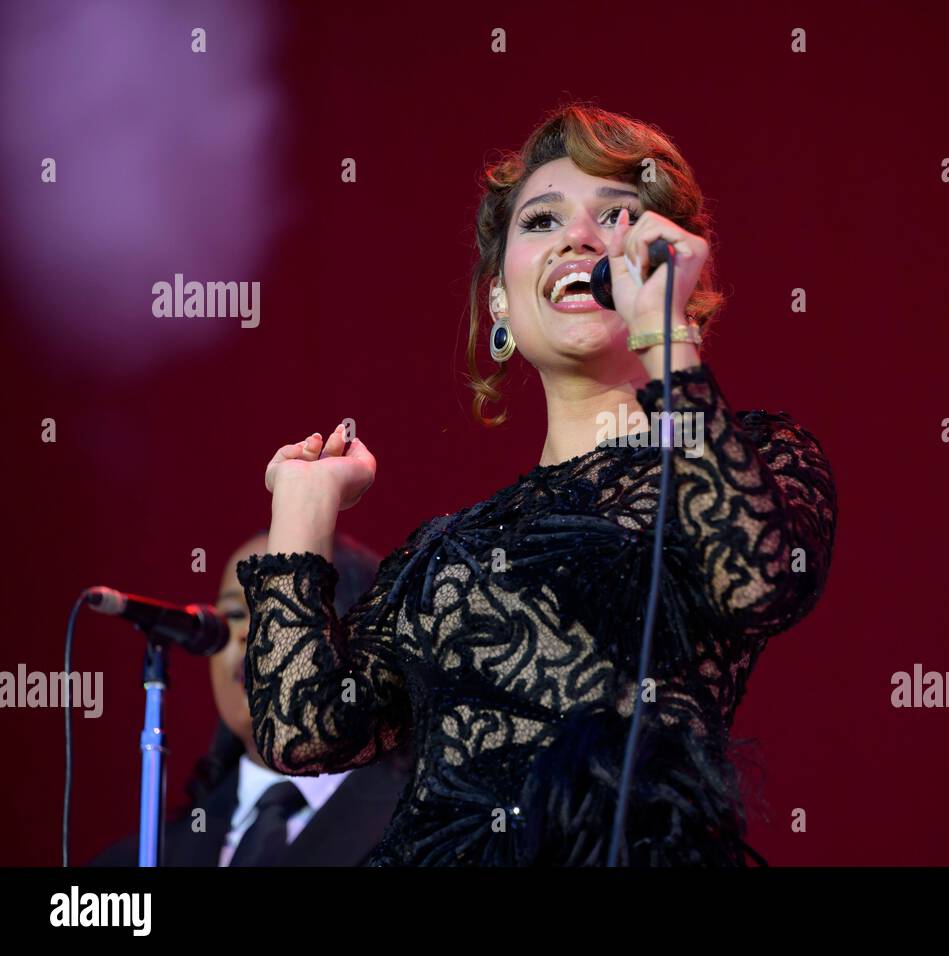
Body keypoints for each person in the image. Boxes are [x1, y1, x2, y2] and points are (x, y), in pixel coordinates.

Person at [237, 102, 838, 866]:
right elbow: (303, 732)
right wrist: (303, 506)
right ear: (499, 298)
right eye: (542, 220)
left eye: (616, 216)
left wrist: (664, 332)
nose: (578, 238)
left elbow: (759, 583)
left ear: (676, 267)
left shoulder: (753, 456)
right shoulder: (446, 552)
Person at [92, 532, 409, 866]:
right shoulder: (137, 859)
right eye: (233, 614)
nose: (247, 632)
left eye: (276, 610)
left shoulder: (419, 826)